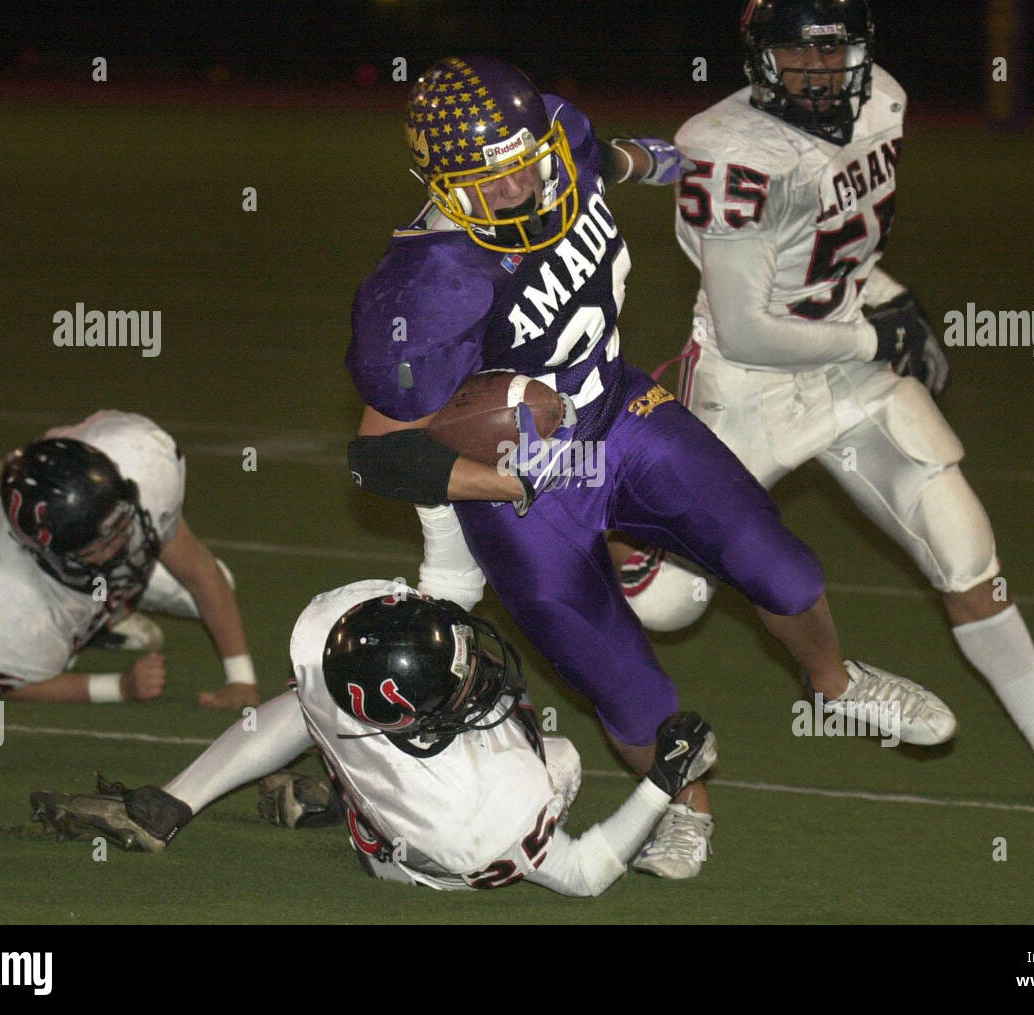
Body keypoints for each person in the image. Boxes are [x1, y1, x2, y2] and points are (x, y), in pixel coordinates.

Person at [342, 54, 954, 879]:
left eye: (529, 169)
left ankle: (836, 685)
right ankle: (685, 806)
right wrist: (501, 480)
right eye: (491, 185)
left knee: (783, 567)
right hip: (525, 492)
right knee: (625, 687)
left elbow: (608, 155)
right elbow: (376, 453)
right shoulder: (429, 282)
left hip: (619, 417)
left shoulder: (562, 138)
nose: (519, 193)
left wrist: (667, 161)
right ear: (441, 183)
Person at [617, 0, 1034, 799]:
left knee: (964, 542)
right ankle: (608, 505)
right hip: (746, 384)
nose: (817, 69)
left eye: (834, 50)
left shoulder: (883, 103)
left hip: (842, 362)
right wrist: (880, 337)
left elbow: (838, 244)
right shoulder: (729, 149)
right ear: (759, 56)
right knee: (670, 603)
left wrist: (889, 296)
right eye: (796, 52)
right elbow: (748, 326)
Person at [31, 580, 718, 897]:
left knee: (312, 703)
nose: (477, 669)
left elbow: (323, 689)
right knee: (561, 758)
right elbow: (583, 874)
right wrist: (661, 782)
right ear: (421, 720)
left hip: (375, 759)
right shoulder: (485, 806)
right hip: (425, 854)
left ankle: (177, 803)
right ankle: (351, 807)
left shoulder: (332, 634)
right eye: (461, 677)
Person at [0, 410, 260, 708]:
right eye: (100, 546)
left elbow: (201, 573)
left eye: (122, 524)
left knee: (216, 585)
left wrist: (241, 677)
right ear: (47, 553)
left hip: (44, 544)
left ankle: (103, 613)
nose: (122, 546)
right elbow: (10, 682)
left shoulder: (137, 454)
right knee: (43, 654)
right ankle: (92, 625)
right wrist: (119, 687)